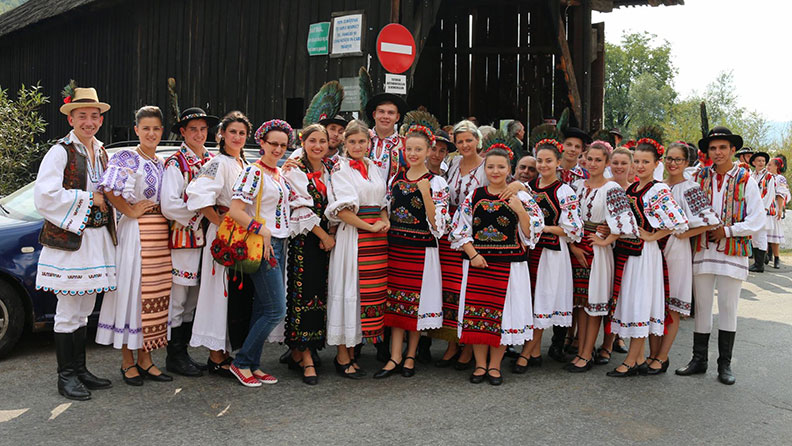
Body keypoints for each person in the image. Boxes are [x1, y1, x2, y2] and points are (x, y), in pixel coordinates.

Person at [35, 86, 116, 401]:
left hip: (96, 240)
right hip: (70, 243)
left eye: (94, 116)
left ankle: (80, 370)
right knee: (68, 311)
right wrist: (89, 199)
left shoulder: (102, 151)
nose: (89, 122)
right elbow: (45, 195)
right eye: (82, 116)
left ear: (100, 119)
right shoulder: (61, 151)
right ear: (71, 119)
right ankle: (65, 376)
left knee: (85, 310)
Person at [676, 126, 765, 385]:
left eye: (723, 147)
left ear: (733, 149)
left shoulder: (746, 179)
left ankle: (724, 364)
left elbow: (757, 219)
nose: (718, 152)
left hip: (732, 250)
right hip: (703, 248)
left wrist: (727, 231)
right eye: (713, 148)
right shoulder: (698, 177)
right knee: (703, 305)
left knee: (728, 305)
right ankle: (699, 359)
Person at [449, 143, 544, 385]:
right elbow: (459, 228)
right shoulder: (475, 195)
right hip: (478, 264)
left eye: (501, 167)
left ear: (509, 169)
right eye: (490, 166)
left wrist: (520, 210)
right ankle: (480, 365)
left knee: (503, 318)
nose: (495, 171)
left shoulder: (521, 197)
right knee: (478, 316)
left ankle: (494, 366)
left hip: (510, 265)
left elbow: (532, 233)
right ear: (485, 169)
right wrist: (473, 255)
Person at [95, 105, 173, 385]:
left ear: (162, 131)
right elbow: (108, 188)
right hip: (136, 233)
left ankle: (146, 358)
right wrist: (129, 211)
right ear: (136, 130)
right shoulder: (128, 157)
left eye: (156, 128)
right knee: (133, 293)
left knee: (153, 295)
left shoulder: (162, 162)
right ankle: (127, 361)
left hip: (159, 235)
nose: (151, 133)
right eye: (146, 128)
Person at [607, 130, 688, 377]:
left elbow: (678, 221)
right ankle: (640, 356)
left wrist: (653, 236)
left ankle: (632, 359)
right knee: (632, 300)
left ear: (656, 164)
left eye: (646, 162)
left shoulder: (657, 189)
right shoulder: (633, 188)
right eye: (637, 161)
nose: (640, 166)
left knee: (639, 301)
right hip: (629, 252)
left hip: (645, 254)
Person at [374, 124, 449, 379]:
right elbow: (385, 207)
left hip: (421, 250)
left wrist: (426, 194)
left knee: (416, 304)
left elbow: (438, 225)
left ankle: (410, 356)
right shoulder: (397, 178)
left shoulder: (436, 182)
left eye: (418, 149)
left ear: (428, 151)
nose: (413, 154)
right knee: (396, 303)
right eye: (409, 149)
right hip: (396, 248)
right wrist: (385, 219)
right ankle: (395, 356)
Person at [226, 119, 294, 387]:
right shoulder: (253, 172)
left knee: (263, 307)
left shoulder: (278, 174)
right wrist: (261, 229)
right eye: (273, 143)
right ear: (262, 143)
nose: (278, 149)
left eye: (283, 145)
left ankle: (252, 363)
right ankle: (241, 361)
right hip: (262, 244)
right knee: (276, 310)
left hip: (278, 243)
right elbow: (235, 210)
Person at [646, 142, 720, 374]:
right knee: (654, 303)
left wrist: (684, 233)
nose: (673, 163)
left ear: (686, 162)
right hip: (654, 248)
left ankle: (662, 356)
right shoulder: (656, 186)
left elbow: (711, 220)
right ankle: (652, 354)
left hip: (676, 250)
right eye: (669, 158)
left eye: (678, 159)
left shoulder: (691, 188)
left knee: (672, 306)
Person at [186, 111, 249, 377]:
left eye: (242, 133)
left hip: (242, 234)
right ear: (221, 134)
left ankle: (225, 350)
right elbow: (197, 194)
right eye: (232, 131)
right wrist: (218, 220)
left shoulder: (244, 163)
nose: (237, 137)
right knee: (218, 292)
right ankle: (215, 354)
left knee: (234, 294)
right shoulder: (218, 163)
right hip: (223, 235)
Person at [325, 120, 389, 379]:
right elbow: (342, 211)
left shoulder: (374, 167)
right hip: (353, 236)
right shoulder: (340, 168)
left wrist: (384, 219)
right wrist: (370, 227)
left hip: (375, 239)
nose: (357, 146)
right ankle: (343, 355)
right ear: (345, 143)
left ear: (369, 143)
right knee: (348, 290)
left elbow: (381, 202)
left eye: (362, 141)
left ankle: (353, 351)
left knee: (364, 295)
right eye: (352, 142)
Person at [567, 141, 638, 371]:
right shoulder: (577, 186)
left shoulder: (612, 188)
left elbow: (626, 222)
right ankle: (580, 350)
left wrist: (606, 240)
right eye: (590, 159)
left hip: (597, 251)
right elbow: (566, 217)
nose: (593, 163)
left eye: (599, 160)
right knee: (580, 303)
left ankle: (586, 354)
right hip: (577, 247)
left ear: (606, 162)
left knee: (593, 303)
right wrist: (572, 245)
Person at [517, 133, 583, 372]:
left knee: (543, 301)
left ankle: (526, 354)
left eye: (548, 161)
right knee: (532, 299)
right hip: (530, 252)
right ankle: (533, 352)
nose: (543, 165)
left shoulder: (564, 191)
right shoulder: (528, 188)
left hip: (552, 254)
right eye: (540, 161)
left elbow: (572, 228)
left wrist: (542, 227)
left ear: (558, 162)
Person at [160, 107, 218, 377]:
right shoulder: (176, 163)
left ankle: (183, 352)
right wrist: (202, 215)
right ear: (182, 132)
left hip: (209, 239)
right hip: (185, 237)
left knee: (195, 299)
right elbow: (169, 205)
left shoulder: (212, 161)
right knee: (179, 298)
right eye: (193, 129)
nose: (199, 134)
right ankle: (174, 356)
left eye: (203, 129)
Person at [279, 123, 334, 385]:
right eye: (313, 141)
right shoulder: (295, 170)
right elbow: (300, 209)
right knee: (304, 296)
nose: (318, 146)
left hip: (325, 240)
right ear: (303, 142)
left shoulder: (330, 169)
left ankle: (301, 352)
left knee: (320, 297)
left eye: (322, 141)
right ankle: (306, 356)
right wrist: (324, 236)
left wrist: (330, 233)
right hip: (304, 241)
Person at [365, 93, 408, 183]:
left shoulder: (405, 145)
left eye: (391, 113)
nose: (385, 116)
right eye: (381, 111)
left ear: (397, 117)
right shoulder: (361, 139)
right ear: (374, 114)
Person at [748, 151, 776, 272]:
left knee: (761, 235)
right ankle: (757, 261)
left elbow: (770, 194)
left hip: (763, 210)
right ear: (754, 162)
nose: (761, 163)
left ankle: (760, 264)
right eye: (759, 161)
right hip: (753, 209)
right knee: (754, 235)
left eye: (763, 161)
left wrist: (763, 209)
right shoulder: (751, 176)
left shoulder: (769, 177)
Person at [766, 156, 789, 268]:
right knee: (764, 232)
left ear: (776, 166)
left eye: (770, 165)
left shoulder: (780, 178)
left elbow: (781, 194)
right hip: (765, 206)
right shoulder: (765, 176)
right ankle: (765, 256)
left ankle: (776, 258)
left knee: (775, 233)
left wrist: (780, 209)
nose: (768, 167)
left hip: (774, 206)